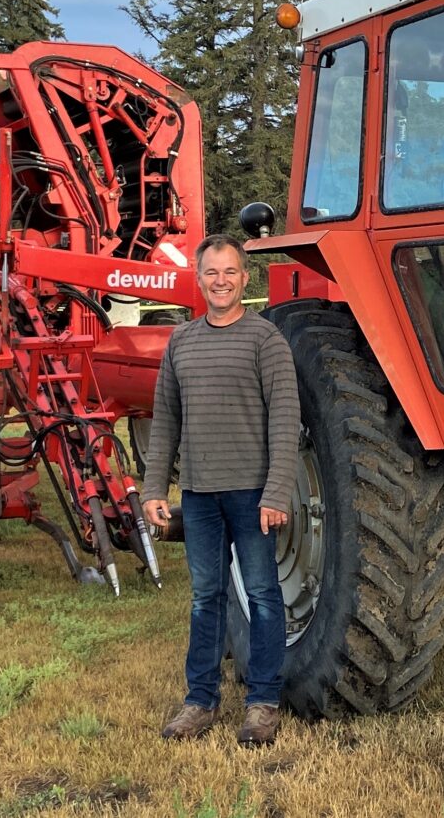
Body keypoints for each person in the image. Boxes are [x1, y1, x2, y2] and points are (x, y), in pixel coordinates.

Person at [141, 234, 300, 744]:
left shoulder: (265, 340)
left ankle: (262, 703)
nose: (221, 281)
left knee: (262, 596)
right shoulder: (181, 342)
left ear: (244, 278)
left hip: (253, 495)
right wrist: (154, 488)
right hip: (201, 495)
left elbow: (285, 421)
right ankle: (200, 701)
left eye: (230, 272)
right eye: (212, 273)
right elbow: (165, 421)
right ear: (199, 278)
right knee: (205, 597)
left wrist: (277, 493)